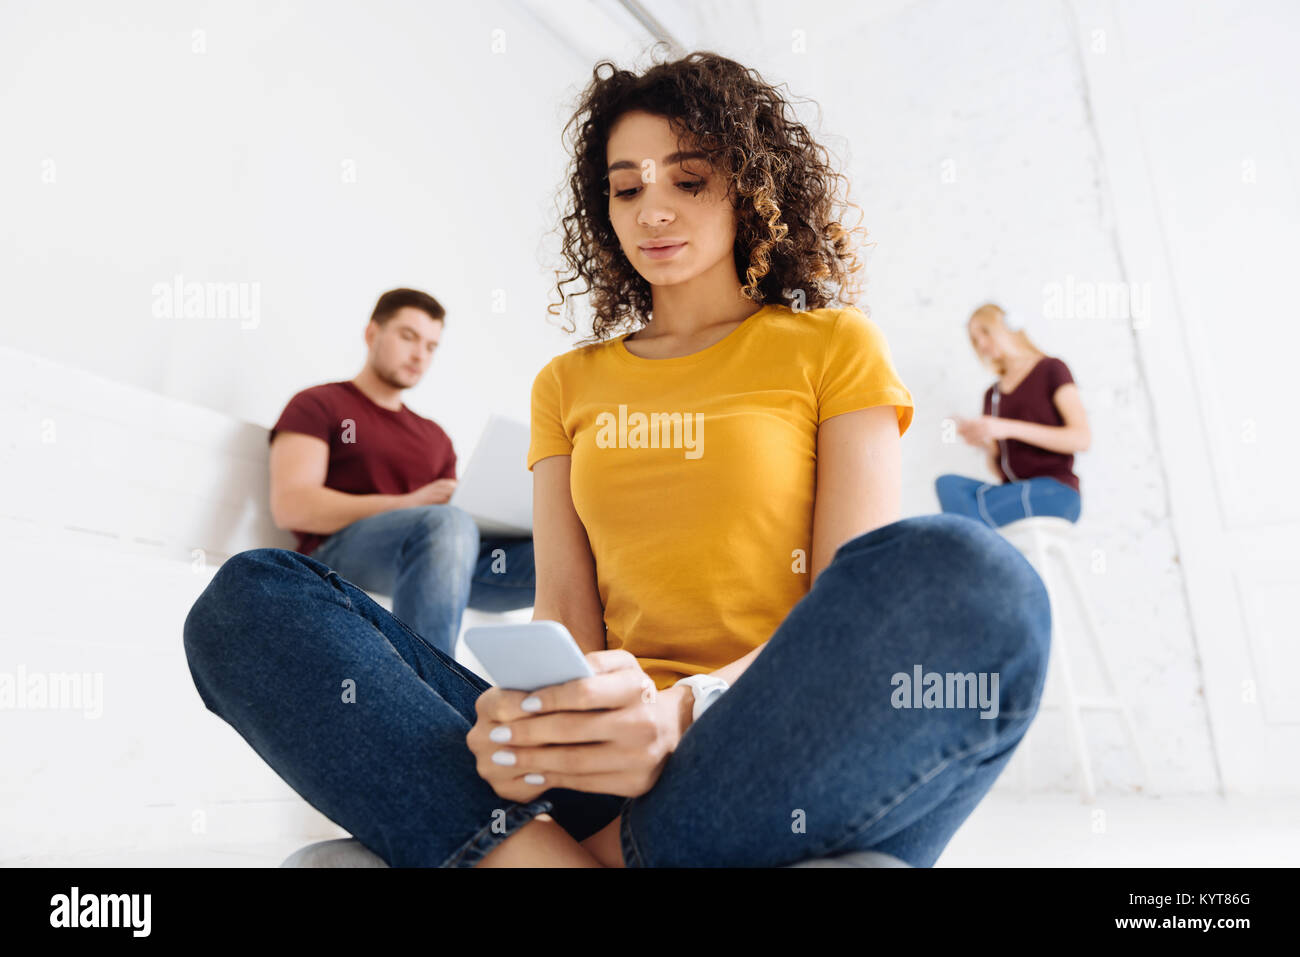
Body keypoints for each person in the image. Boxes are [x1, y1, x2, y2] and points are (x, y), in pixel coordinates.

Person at [183, 48, 1051, 868]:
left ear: (749, 186)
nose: (653, 210)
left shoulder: (833, 347)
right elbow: (562, 616)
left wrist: (679, 712)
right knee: (249, 601)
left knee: (978, 582)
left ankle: (526, 854)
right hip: (596, 767)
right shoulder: (568, 384)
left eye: (688, 179)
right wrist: (532, 725)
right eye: (626, 188)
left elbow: (846, 602)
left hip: (762, 742)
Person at [265, 287, 535, 659]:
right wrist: (409, 504)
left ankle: (591, 693)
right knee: (447, 524)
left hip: (441, 564)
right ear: (372, 334)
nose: (419, 355)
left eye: (431, 346)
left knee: (559, 548)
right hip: (341, 555)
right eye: (408, 337)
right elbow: (292, 506)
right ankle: (434, 689)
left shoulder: (436, 437)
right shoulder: (318, 404)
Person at [937, 303, 1091, 528]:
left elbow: (1081, 439)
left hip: (1055, 491)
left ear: (1008, 327)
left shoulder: (1052, 370)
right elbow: (999, 468)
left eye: (985, 333)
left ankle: (971, 535)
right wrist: (985, 444)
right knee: (948, 485)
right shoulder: (992, 395)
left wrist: (1006, 428)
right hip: (1013, 491)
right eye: (974, 339)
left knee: (964, 521)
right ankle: (974, 535)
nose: (981, 344)